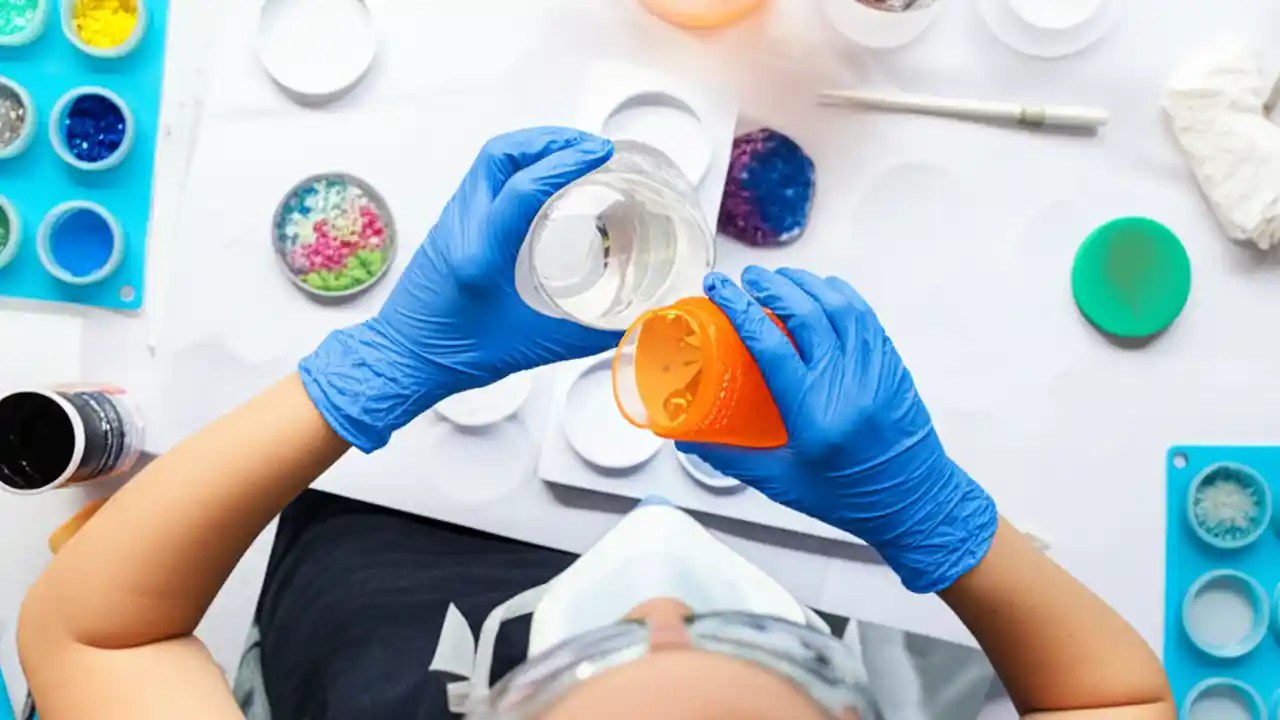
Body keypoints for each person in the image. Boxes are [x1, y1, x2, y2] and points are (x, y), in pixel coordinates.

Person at [17, 128, 1174, 719]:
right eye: (755, 647)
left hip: (381, 536)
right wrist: (933, 518)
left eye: (592, 652)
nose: (656, 580)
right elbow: (1112, 701)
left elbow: (94, 637)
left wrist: (369, 375)